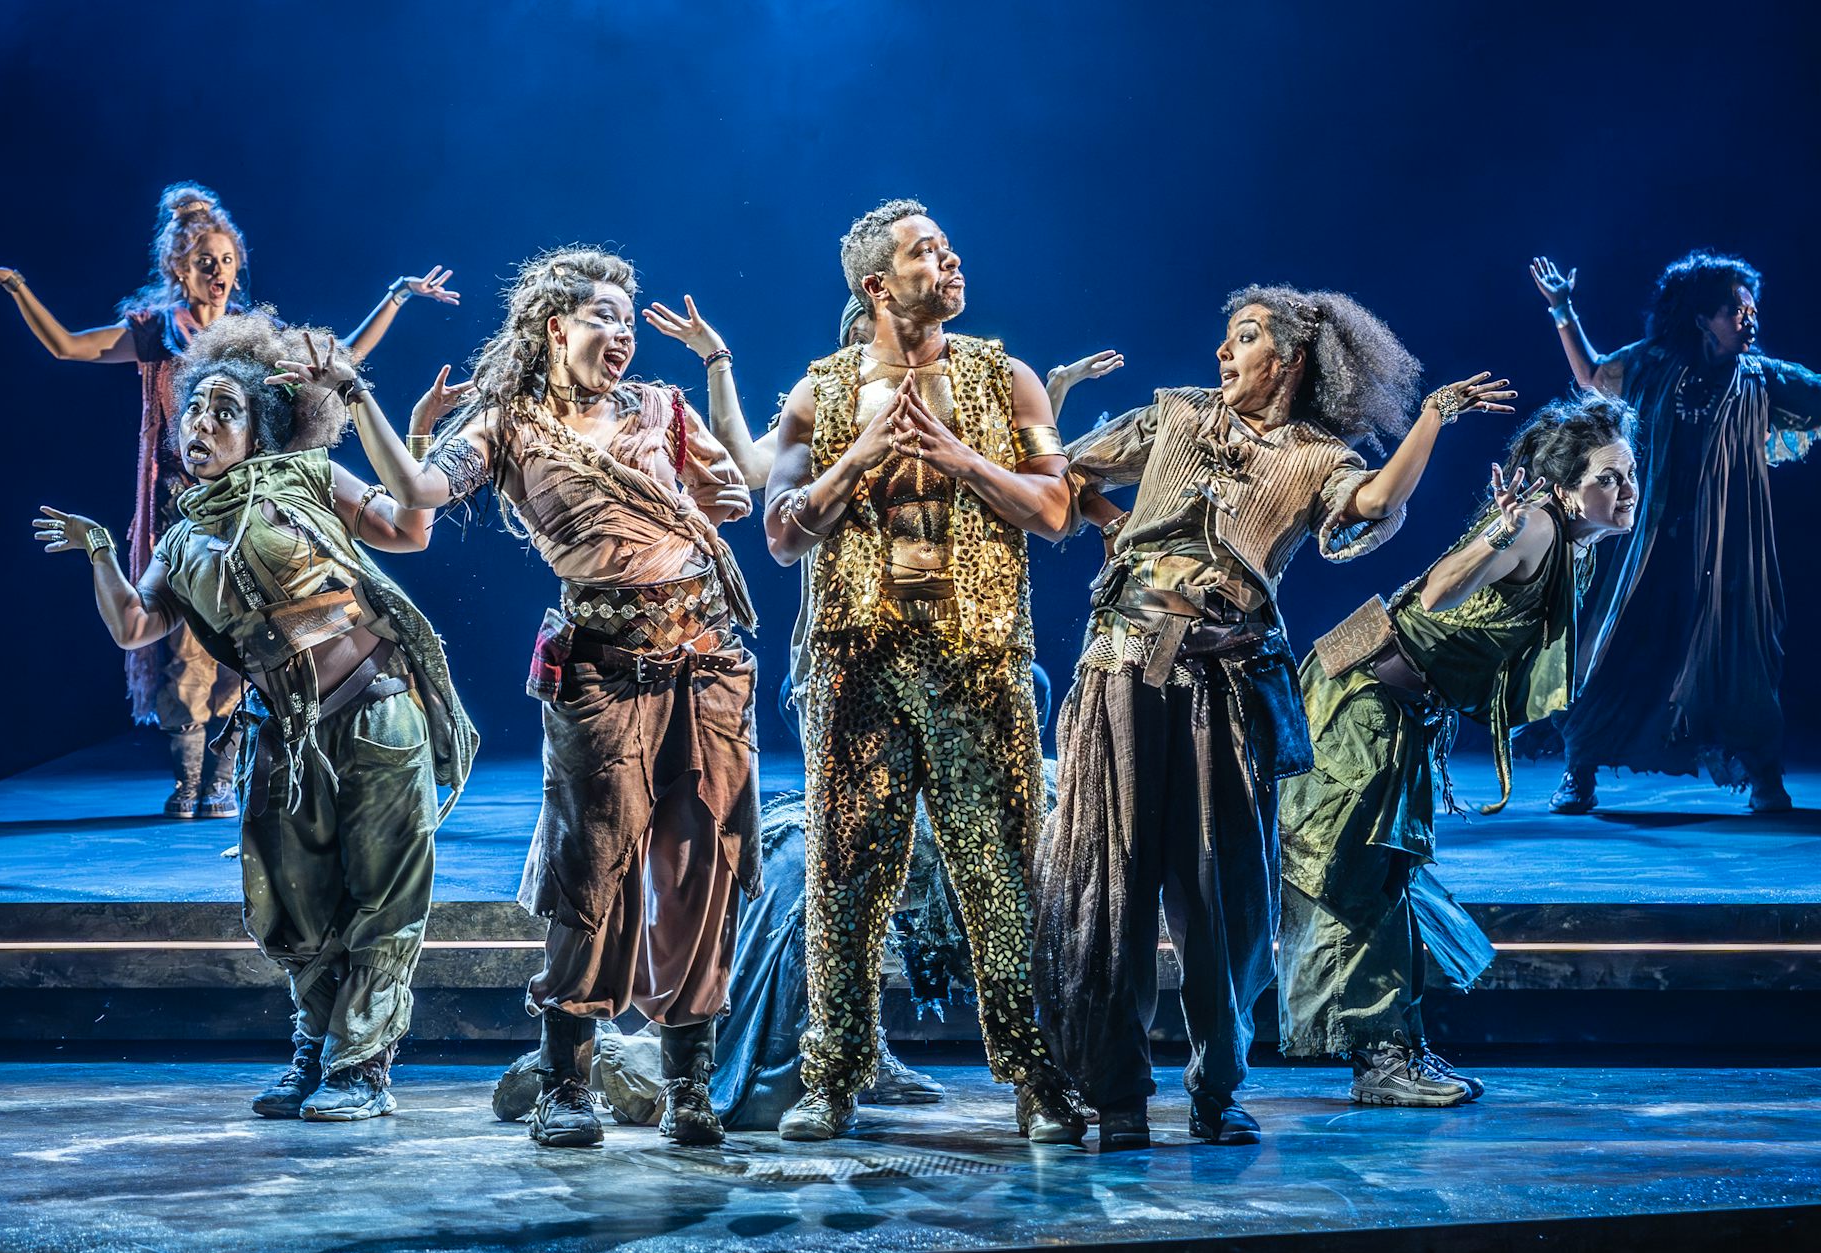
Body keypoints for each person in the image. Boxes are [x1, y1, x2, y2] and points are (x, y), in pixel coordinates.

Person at [1036, 284, 1514, 1150]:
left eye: (1245, 337)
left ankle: (1217, 1089)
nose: (1224, 352)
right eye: (1226, 338)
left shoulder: (1317, 456)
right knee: (1113, 877)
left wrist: (1433, 418)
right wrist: (1115, 527)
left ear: (1290, 360)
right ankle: (1115, 1094)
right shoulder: (1177, 414)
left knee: (1221, 892)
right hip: (1124, 668)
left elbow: (1373, 504)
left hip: (1225, 683)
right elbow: (1069, 473)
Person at [346, 247, 760, 1149]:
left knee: (702, 867)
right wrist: (357, 397)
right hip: (602, 670)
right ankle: (566, 1083)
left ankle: (690, 1082)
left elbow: (735, 487)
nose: (622, 333)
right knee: (592, 866)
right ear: (554, 326)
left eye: (628, 319)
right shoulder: (508, 425)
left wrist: (720, 480)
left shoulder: (662, 410)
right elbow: (416, 491)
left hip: (706, 661)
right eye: (604, 316)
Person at [32, 311, 476, 1121]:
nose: (200, 424)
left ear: (262, 428)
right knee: (290, 901)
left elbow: (410, 529)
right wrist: (100, 550)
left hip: (375, 710)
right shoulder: (181, 540)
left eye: (224, 411)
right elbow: (134, 626)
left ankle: (361, 1066)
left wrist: (387, 413)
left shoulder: (308, 476)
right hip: (284, 736)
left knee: (383, 895)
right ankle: (316, 1045)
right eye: (194, 410)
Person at [0, 182, 458, 819]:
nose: (217, 272)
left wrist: (395, 302)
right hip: (186, 508)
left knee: (264, 639)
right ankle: (196, 779)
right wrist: (18, 288)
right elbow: (67, 345)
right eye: (203, 262)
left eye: (225, 261)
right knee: (192, 648)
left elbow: (338, 361)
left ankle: (233, 775)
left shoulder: (287, 426)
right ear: (179, 269)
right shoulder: (157, 335)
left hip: (275, 528)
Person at [762, 198, 1089, 1146]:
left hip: (976, 658)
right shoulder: (819, 392)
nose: (950, 262)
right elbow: (781, 534)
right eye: (927, 252)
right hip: (860, 660)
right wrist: (859, 459)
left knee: (1001, 873)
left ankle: (1034, 1078)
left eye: (947, 248)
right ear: (878, 285)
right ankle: (833, 1077)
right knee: (845, 874)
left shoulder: (1004, 378)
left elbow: (1056, 512)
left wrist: (959, 457)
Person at [1277, 393, 1638, 1105]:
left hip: (1383, 694)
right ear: (1565, 488)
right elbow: (1437, 593)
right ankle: (1382, 1062)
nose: (1627, 491)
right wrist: (1501, 530)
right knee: (1359, 876)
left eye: (1629, 475)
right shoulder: (1535, 525)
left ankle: (1397, 1050)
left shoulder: (1571, 543)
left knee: (1382, 875)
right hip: (1360, 701)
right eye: (1608, 478)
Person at [1529, 252, 1821, 813]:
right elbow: (1594, 377)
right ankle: (1579, 769)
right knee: (1613, 649)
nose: (1750, 319)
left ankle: (1764, 776)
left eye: (1751, 309)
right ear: (1702, 317)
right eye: (1736, 310)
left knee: (1742, 656)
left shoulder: (1761, 378)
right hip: (1649, 549)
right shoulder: (1652, 364)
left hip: (1724, 554)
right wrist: (1563, 308)